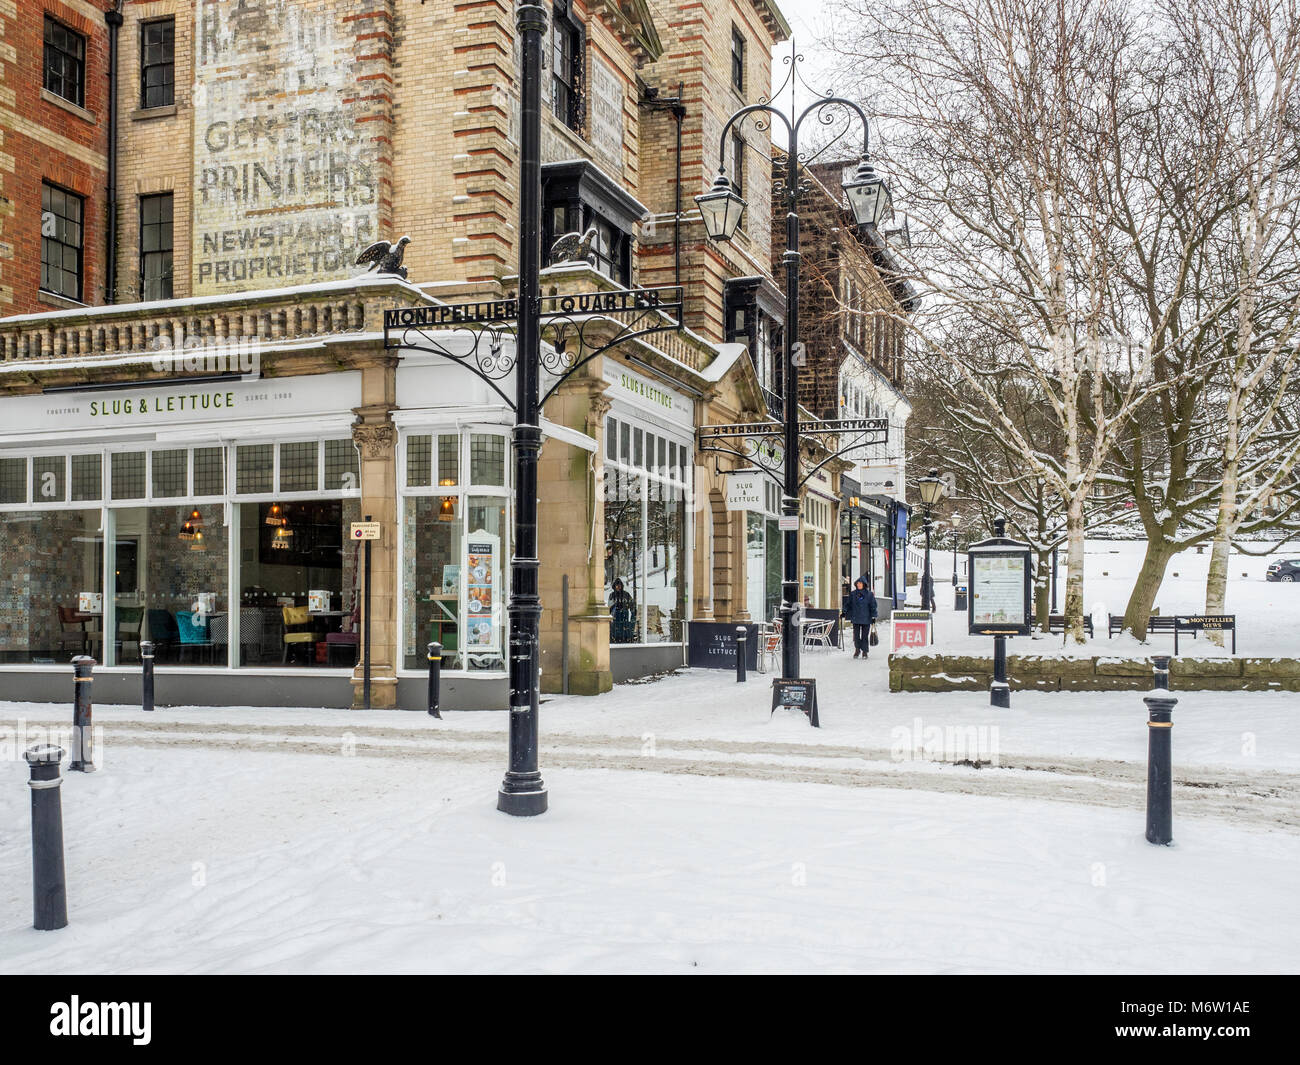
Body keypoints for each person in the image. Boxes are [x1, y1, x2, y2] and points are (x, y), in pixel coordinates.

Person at [841, 575, 879, 659]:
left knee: (865, 636)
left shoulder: (869, 595)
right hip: (856, 618)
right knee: (856, 636)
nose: (858, 585)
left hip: (866, 618)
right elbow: (848, 604)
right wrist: (844, 612)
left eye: (860, 583)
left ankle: (865, 652)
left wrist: (873, 616)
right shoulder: (853, 594)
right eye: (857, 583)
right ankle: (857, 650)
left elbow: (873, 606)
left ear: (864, 584)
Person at [609, 578, 636, 643]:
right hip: (615, 615)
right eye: (617, 585)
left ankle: (625, 639)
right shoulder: (612, 595)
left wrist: (633, 612)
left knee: (624, 628)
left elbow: (632, 604)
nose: (618, 587)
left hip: (624, 614)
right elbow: (609, 607)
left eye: (620, 585)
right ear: (614, 586)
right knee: (616, 628)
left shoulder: (626, 594)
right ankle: (616, 639)